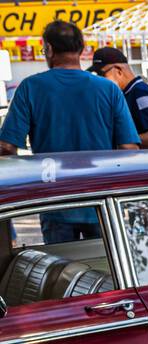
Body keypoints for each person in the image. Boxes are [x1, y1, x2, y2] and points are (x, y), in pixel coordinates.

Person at [0, 21, 139, 242]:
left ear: (49, 49)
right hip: (101, 201)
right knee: (104, 269)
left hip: (55, 202)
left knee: (62, 273)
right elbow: (129, 148)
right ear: (82, 49)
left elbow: (7, 147)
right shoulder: (109, 89)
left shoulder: (30, 87)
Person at [89, 47, 148, 149]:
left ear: (118, 71)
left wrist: (119, 140)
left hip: (144, 163)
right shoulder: (128, 93)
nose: (98, 79)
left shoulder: (141, 92)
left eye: (102, 74)